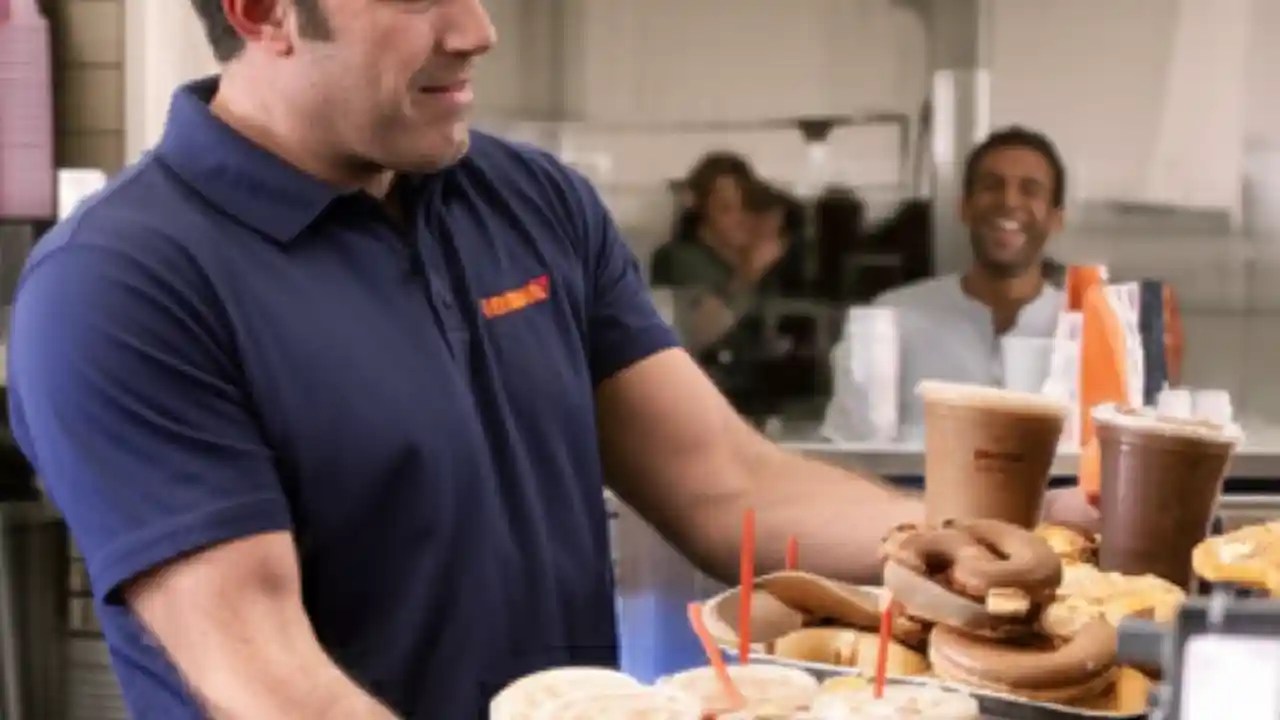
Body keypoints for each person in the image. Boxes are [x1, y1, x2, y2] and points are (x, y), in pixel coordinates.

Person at [5, 4, 1092, 718]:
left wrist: (978, 537)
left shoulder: (526, 201)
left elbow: (723, 482)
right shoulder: (122, 286)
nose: (477, 29)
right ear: (262, 12)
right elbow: (273, 683)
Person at [824, 126, 1070, 441]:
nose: (1009, 201)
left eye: (1030, 190)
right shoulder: (894, 319)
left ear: (1056, 218)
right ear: (964, 207)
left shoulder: (1085, 330)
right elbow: (848, 450)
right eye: (992, 186)